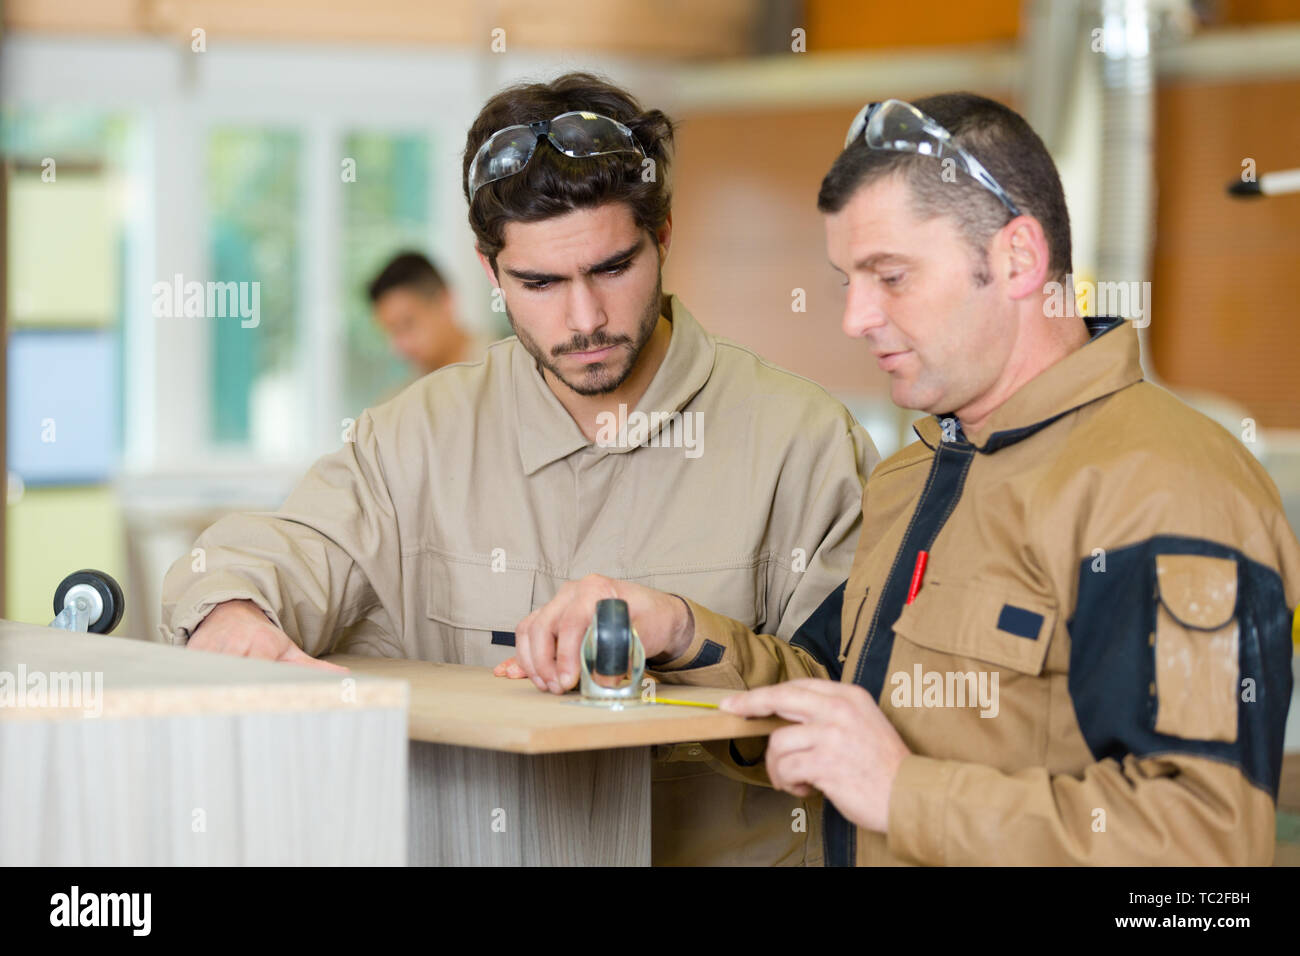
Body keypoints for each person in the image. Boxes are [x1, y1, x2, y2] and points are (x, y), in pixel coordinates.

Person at [508, 92, 1299, 865]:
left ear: (1017, 257)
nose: (855, 318)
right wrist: (679, 632)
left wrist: (902, 793)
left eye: (890, 277)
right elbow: (825, 693)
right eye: (847, 280)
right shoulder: (916, 471)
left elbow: (1204, 853)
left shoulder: (1164, 487)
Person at [158, 72, 879, 867]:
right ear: (490, 272)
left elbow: (852, 719)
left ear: (664, 235)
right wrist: (228, 610)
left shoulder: (806, 442)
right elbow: (276, 553)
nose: (585, 320)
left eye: (612, 268)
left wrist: (684, 632)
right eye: (539, 283)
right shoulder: (415, 438)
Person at [368, 252, 483, 377]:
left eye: (407, 325)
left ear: (444, 302)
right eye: (391, 332)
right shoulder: (409, 393)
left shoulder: (501, 369)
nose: (400, 347)